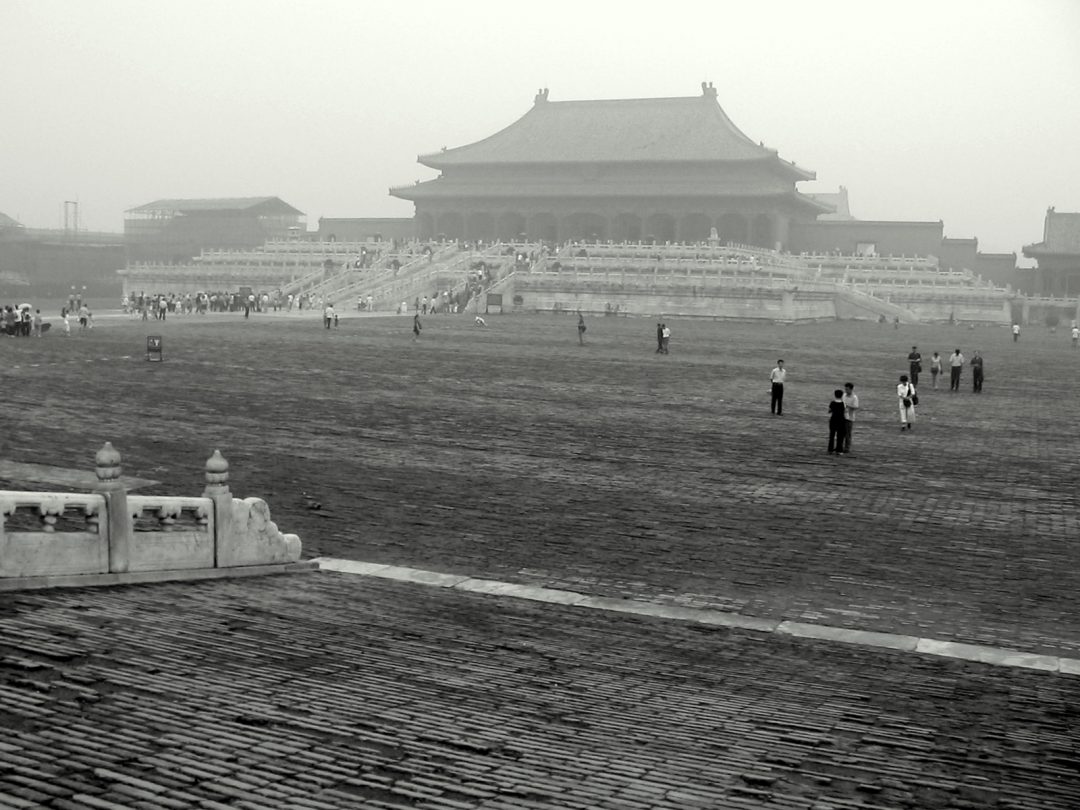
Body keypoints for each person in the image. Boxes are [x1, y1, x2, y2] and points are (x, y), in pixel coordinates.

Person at [828, 389, 847, 455]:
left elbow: (829, 411)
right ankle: (839, 450)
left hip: (833, 420)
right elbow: (845, 411)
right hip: (841, 420)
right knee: (840, 436)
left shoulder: (832, 403)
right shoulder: (843, 403)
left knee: (832, 435)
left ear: (835, 395)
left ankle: (830, 449)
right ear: (841, 396)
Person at [841, 382, 859, 453]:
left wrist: (847, 406)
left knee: (848, 434)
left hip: (849, 417)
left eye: (847, 389)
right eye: (845, 389)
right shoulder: (844, 395)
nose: (846, 391)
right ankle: (840, 446)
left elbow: (856, 406)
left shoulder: (854, 397)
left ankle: (847, 448)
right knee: (841, 433)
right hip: (843, 416)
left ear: (851, 389)